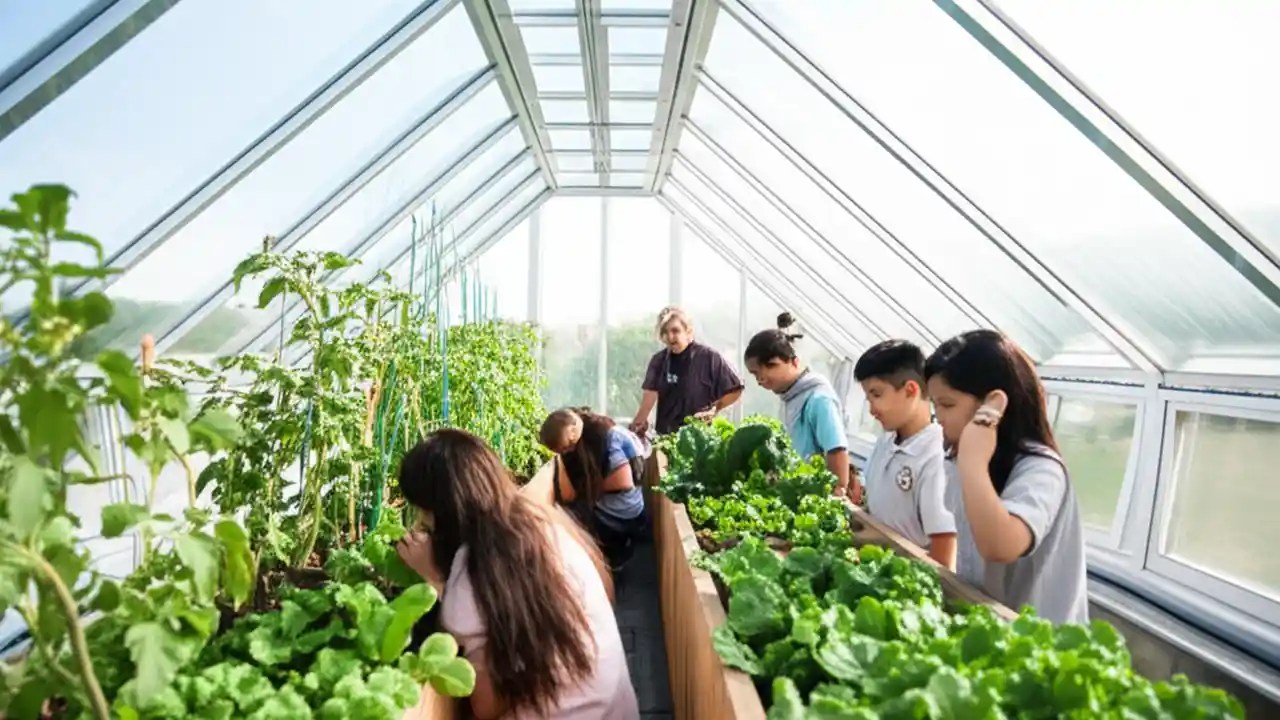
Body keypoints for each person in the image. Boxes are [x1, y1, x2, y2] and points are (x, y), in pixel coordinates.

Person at [394, 429, 639, 719]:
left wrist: (434, 580)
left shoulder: (474, 573)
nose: (422, 523)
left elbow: (486, 707)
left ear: (442, 510)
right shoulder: (544, 524)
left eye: (422, 512)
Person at [924, 329, 1088, 625]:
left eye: (947, 405)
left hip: (1042, 650)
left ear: (993, 404)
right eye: (935, 405)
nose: (939, 417)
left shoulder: (1041, 469)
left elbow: (1000, 546)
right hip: (989, 628)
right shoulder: (959, 459)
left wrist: (973, 462)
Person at [855, 340, 956, 570]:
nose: (871, 409)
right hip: (873, 570)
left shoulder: (936, 457)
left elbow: (944, 555)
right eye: (868, 398)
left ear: (910, 390)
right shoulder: (886, 441)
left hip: (906, 584)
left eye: (876, 394)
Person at [743, 313, 851, 498]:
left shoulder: (818, 398)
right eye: (755, 374)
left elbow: (836, 450)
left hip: (815, 500)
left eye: (770, 366)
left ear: (794, 361)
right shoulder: (790, 396)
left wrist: (835, 492)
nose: (762, 378)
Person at [540, 408, 649, 570]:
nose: (568, 451)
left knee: (570, 520)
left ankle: (617, 552)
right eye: (563, 450)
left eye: (568, 446)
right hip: (617, 508)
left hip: (624, 512)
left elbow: (624, 482)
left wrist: (588, 489)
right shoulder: (585, 437)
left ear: (573, 428)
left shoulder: (608, 437)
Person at [630, 306, 744, 437]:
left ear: (688, 331)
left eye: (675, 331)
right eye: (665, 332)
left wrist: (715, 408)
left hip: (700, 437)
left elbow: (736, 388)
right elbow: (648, 399)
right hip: (666, 437)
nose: (670, 336)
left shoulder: (709, 358)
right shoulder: (659, 361)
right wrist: (636, 426)